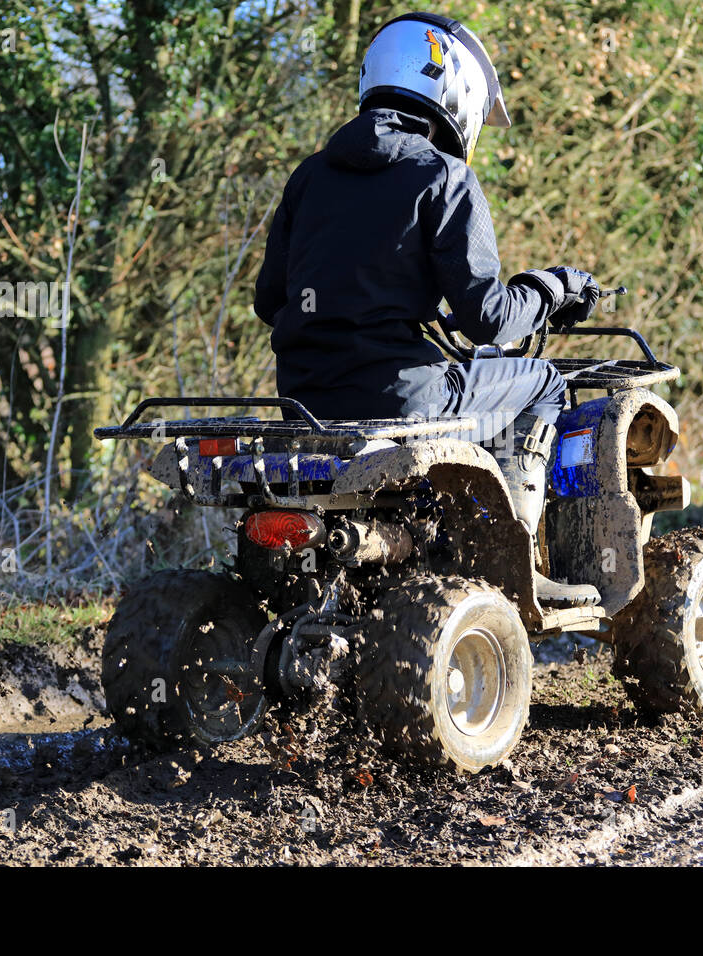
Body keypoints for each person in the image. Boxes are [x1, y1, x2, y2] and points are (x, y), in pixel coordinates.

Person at [254, 12, 600, 607]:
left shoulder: (309, 177)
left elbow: (268, 302)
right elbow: (488, 319)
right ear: (455, 90)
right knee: (541, 382)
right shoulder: (444, 177)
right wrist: (549, 288)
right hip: (399, 398)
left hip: (305, 401)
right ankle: (515, 563)